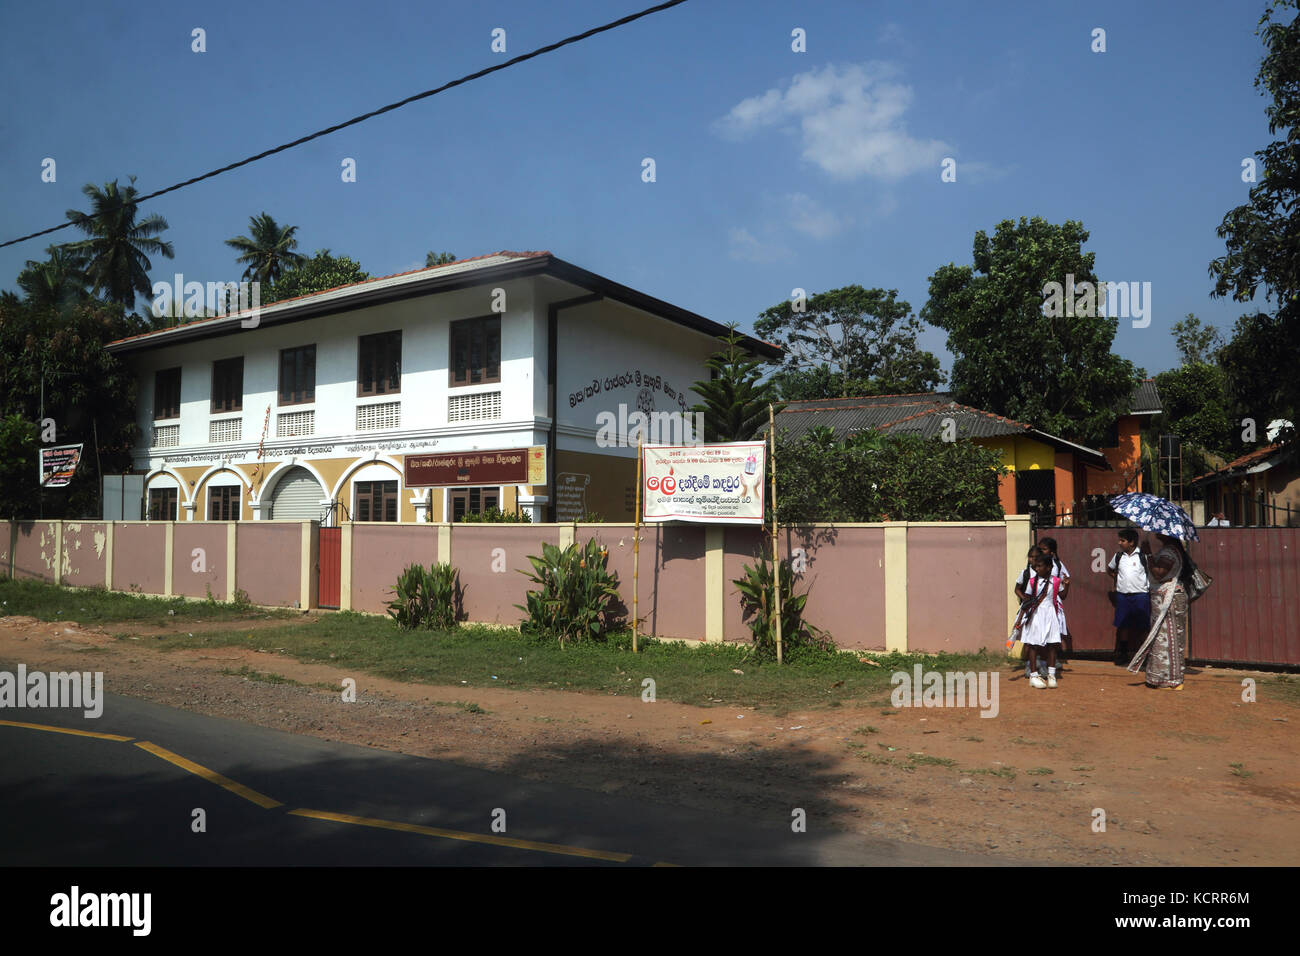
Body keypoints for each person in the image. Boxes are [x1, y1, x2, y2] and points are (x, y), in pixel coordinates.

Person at [1126, 532, 1190, 690]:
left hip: (1169, 600)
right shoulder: (1170, 550)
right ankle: (1159, 677)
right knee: (1161, 639)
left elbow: (1158, 573)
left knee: (1170, 638)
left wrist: (1147, 553)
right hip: (1163, 600)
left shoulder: (1170, 552)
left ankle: (1173, 680)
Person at [1020, 553, 1064, 688]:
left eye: (1040, 566)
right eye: (1036, 566)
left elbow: (1062, 595)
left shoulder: (1056, 581)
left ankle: (1051, 675)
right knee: (1033, 645)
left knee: (1052, 644)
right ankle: (1033, 675)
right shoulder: (1033, 582)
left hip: (1050, 614)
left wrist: (1067, 585)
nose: (1037, 569)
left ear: (1049, 567)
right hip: (1037, 614)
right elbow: (1027, 597)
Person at [1107, 529, 1150, 665]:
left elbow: (1151, 573)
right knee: (1123, 625)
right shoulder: (1119, 556)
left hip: (1141, 596)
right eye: (1120, 540)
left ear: (1131, 542)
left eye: (1123, 540)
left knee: (1143, 626)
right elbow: (1110, 569)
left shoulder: (1143, 557)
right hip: (1123, 596)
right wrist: (1117, 578)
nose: (1119, 543)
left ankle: (1145, 655)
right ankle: (1123, 653)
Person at [1037, 537, 1071, 673]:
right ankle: (1038, 660)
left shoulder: (1057, 564)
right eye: (1040, 549)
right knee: (1039, 630)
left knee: (1053, 630)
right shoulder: (1037, 563)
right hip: (1039, 602)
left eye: (1044, 549)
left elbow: (1065, 579)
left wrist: (1065, 585)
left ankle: (1051, 659)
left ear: (1052, 551)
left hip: (1053, 602)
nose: (1042, 551)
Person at [1013, 545, 1048, 679]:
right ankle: (1029, 664)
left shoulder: (1045, 573)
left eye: (1036, 557)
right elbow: (1017, 589)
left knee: (1043, 637)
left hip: (1042, 610)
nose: (1033, 559)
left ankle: (1042, 663)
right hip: (1028, 609)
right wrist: (1025, 599)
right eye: (1031, 557)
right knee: (1028, 639)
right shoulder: (1025, 573)